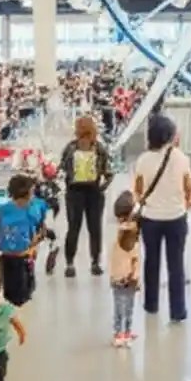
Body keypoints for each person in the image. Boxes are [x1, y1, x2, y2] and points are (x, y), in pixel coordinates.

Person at [133, 114, 191, 322]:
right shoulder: (182, 158)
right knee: (176, 264)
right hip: (176, 217)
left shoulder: (143, 160)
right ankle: (178, 311)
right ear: (170, 135)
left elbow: (138, 191)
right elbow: (188, 189)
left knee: (151, 261)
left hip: (151, 218)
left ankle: (151, 304)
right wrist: (184, 205)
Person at [59, 116, 113, 278]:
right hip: (94, 192)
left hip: (74, 192)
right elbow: (109, 171)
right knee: (94, 228)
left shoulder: (70, 148)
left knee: (73, 228)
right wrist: (103, 187)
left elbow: (62, 168)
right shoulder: (98, 148)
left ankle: (70, 264)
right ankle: (95, 262)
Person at [0, 174, 44, 306]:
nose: (33, 195)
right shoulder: (24, 210)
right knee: (13, 293)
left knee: (20, 293)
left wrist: (34, 247)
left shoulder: (26, 210)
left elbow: (37, 232)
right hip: (12, 257)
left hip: (20, 257)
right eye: (31, 192)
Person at [109, 220, 141, 348]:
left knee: (123, 309)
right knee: (125, 309)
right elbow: (134, 265)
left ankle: (122, 334)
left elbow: (135, 263)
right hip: (125, 283)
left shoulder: (119, 247)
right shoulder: (129, 248)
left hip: (123, 282)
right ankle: (122, 334)